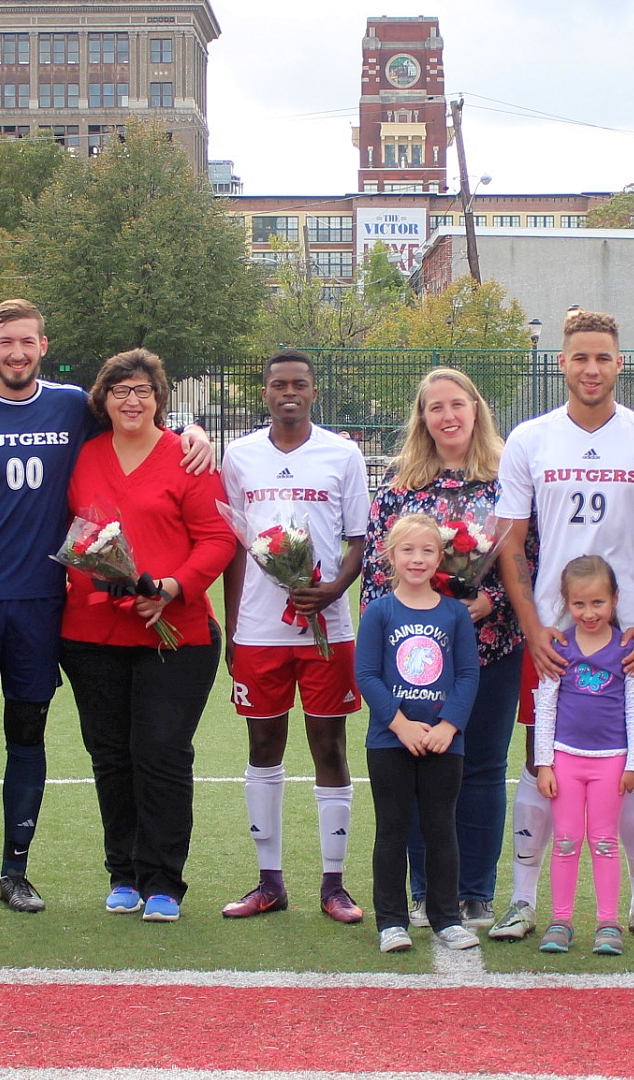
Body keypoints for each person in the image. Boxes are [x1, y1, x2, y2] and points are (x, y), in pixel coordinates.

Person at [0, 299, 214, 918]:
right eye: (7, 343)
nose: (18, 353)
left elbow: (140, 412)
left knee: (29, 735)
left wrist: (193, 429)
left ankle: (15, 872)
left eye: (28, 341)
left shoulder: (69, 406)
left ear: (43, 346)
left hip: (43, 606)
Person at [490, 310, 634, 947]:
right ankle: (523, 901)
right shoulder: (529, 440)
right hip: (553, 633)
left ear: (620, 362)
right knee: (539, 759)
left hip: (626, 637)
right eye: (580, 358)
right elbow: (510, 543)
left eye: (602, 358)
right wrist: (532, 626)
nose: (591, 369)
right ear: (562, 362)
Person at [58, 348, 233, 923]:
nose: (131, 400)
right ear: (102, 399)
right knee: (110, 756)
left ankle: (163, 880)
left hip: (173, 633)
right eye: (119, 390)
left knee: (160, 754)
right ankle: (124, 873)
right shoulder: (82, 456)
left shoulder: (186, 457)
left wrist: (173, 588)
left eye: (142, 390)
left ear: (159, 398)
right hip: (91, 632)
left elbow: (217, 539)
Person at [360, 368, 523, 933]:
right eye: (436, 408)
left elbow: (533, 557)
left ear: (476, 409)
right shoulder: (402, 482)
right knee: (417, 768)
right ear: (422, 417)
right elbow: (377, 572)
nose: (448, 416)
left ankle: (475, 893)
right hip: (414, 661)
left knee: (480, 769)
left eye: (458, 404)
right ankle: (426, 893)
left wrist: (493, 602)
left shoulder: (511, 474)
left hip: (490, 649)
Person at [221, 349, 369, 923]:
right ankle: (269, 881)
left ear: (313, 392)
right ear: (265, 393)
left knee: (329, 746)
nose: (289, 392)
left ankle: (334, 884)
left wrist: (332, 589)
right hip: (260, 631)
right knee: (263, 748)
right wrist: (236, 629)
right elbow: (235, 544)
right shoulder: (240, 456)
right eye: (279, 384)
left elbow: (358, 538)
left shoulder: (343, 453)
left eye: (299, 384)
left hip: (328, 627)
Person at [357, 513, 480, 953]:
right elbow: (367, 674)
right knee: (392, 828)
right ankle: (391, 920)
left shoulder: (454, 614)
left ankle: (446, 917)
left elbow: (467, 674)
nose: (417, 559)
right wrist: (400, 724)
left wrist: (448, 725)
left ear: (440, 557)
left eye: (427, 550)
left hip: (444, 743)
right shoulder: (380, 611)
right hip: (391, 741)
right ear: (391, 555)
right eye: (408, 550)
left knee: (441, 829)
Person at [532, 555, 634, 956]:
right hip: (565, 759)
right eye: (579, 604)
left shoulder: (627, 649)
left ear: (614, 600)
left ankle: (607, 923)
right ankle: (560, 920)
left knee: (603, 841)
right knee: (565, 840)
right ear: (566, 602)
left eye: (598, 603)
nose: (589, 612)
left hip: (611, 761)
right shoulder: (560, 646)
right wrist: (544, 762)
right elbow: (544, 705)